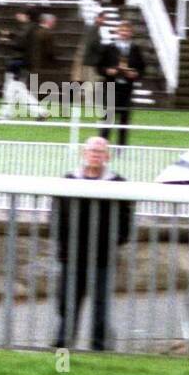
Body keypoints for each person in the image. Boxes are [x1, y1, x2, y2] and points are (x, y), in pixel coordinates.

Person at [51, 137, 133, 351]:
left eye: (100, 151)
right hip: (72, 254)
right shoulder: (68, 180)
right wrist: (62, 243)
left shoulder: (118, 183)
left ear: (107, 156)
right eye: (92, 150)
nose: (96, 155)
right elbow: (56, 215)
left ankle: (99, 347)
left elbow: (126, 219)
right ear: (84, 153)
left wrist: (115, 241)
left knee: (100, 304)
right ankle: (63, 346)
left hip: (103, 256)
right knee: (67, 302)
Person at [98, 21, 145, 146]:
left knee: (124, 123)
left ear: (131, 33)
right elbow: (100, 67)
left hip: (127, 90)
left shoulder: (135, 49)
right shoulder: (109, 48)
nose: (124, 33)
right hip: (111, 88)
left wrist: (135, 74)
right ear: (117, 32)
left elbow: (142, 68)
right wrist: (108, 71)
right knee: (107, 121)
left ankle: (121, 150)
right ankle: (102, 147)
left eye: (127, 31)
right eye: (122, 30)